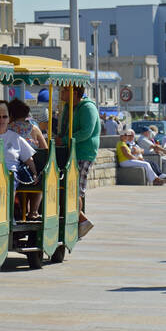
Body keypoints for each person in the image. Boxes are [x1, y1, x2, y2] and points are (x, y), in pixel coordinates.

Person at [64, 86, 101, 239]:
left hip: (83, 152)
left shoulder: (87, 108)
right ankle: (79, 219)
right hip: (70, 152)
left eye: (65, 90)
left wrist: (65, 139)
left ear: (74, 93)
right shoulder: (68, 107)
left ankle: (81, 220)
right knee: (70, 187)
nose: (61, 93)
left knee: (76, 188)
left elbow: (86, 131)